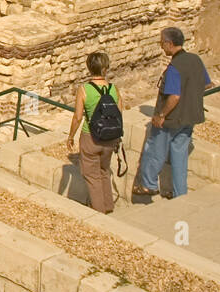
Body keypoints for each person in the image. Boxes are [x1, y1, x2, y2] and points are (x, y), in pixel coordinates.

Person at [135, 27, 212, 199]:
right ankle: (180, 194)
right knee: (180, 157)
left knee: (155, 149)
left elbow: (174, 96)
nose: (161, 47)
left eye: (162, 43)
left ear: (169, 44)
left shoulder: (174, 67)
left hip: (171, 120)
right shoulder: (195, 59)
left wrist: (161, 115)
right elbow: (207, 84)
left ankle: (148, 185)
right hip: (190, 117)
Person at [65, 51, 123, 214]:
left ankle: (99, 212)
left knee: (91, 175)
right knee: (104, 170)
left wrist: (70, 136)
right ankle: (108, 205)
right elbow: (119, 113)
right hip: (110, 137)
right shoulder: (113, 89)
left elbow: (77, 117)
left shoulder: (84, 90)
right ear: (106, 68)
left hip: (90, 135)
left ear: (89, 68)